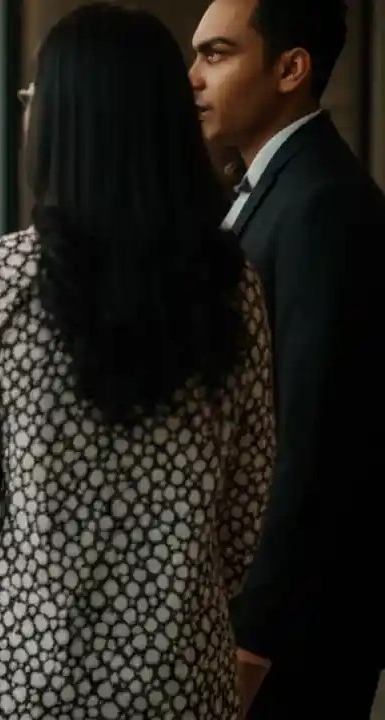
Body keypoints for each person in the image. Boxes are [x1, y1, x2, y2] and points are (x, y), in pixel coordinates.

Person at [0, 5, 276, 719]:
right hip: (184, 681)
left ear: (57, 120)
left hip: (20, 681)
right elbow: (245, 507)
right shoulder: (231, 285)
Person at [190, 0, 385, 714]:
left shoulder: (323, 204)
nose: (193, 77)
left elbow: (316, 439)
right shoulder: (264, 187)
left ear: (290, 69)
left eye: (216, 55)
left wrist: (254, 639)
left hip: (291, 633)